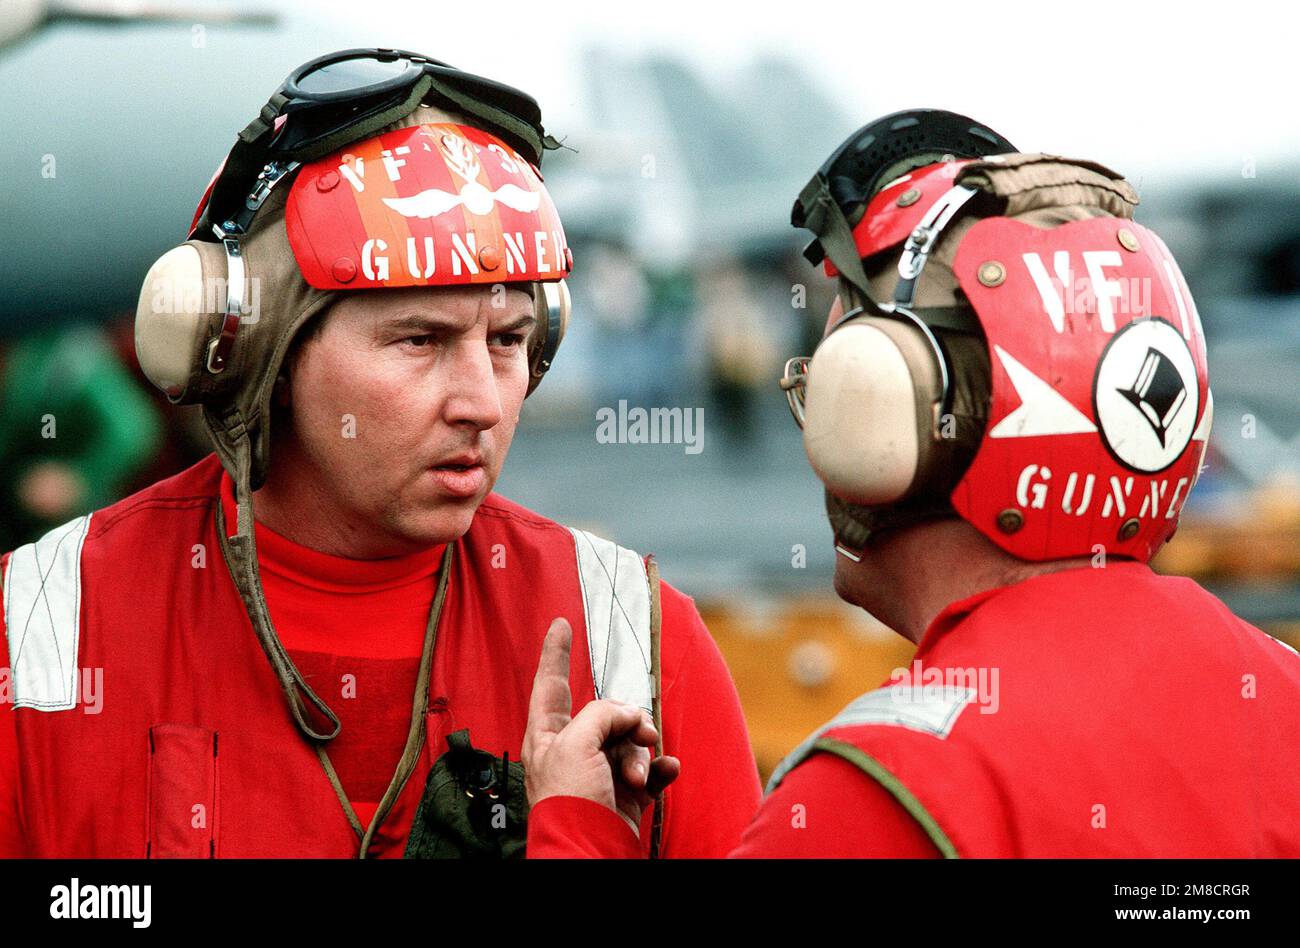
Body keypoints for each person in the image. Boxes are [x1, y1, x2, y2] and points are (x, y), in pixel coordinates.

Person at [0, 49, 759, 858]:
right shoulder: (40, 629)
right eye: (419, 341)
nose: (483, 402)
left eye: (508, 340)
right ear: (262, 350)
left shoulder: (639, 644)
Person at [522, 110, 1300, 857]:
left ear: (879, 420)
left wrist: (577, 831)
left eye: (824, 388)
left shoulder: (880, 794)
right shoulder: (1281, 690)